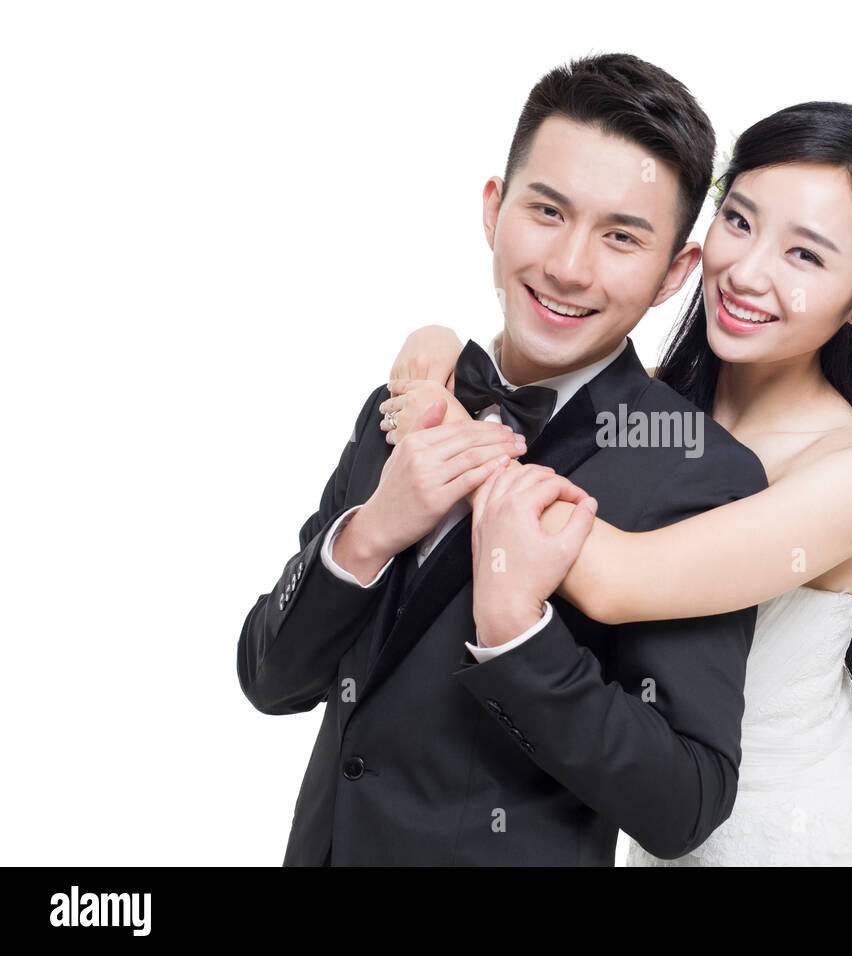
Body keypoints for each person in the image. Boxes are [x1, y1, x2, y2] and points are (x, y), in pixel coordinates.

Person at [385, 100, 852, 865]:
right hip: (658, 823)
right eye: (739, 221)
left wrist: (452, 429)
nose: (747, 271)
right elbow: (528, 395)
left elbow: (617, 581)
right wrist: (441, 349)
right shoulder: (654, 407)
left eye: (805, 256)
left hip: (809, 838)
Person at [236, 53, 770, 866]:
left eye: (621, 237)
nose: (567, 267)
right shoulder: (407, 398)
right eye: (547, 212)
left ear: (674, 274)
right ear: (494, 208)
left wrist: (519, 632)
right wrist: (369, 535)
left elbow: (684, 803)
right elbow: (269, 679)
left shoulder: (698, 470)